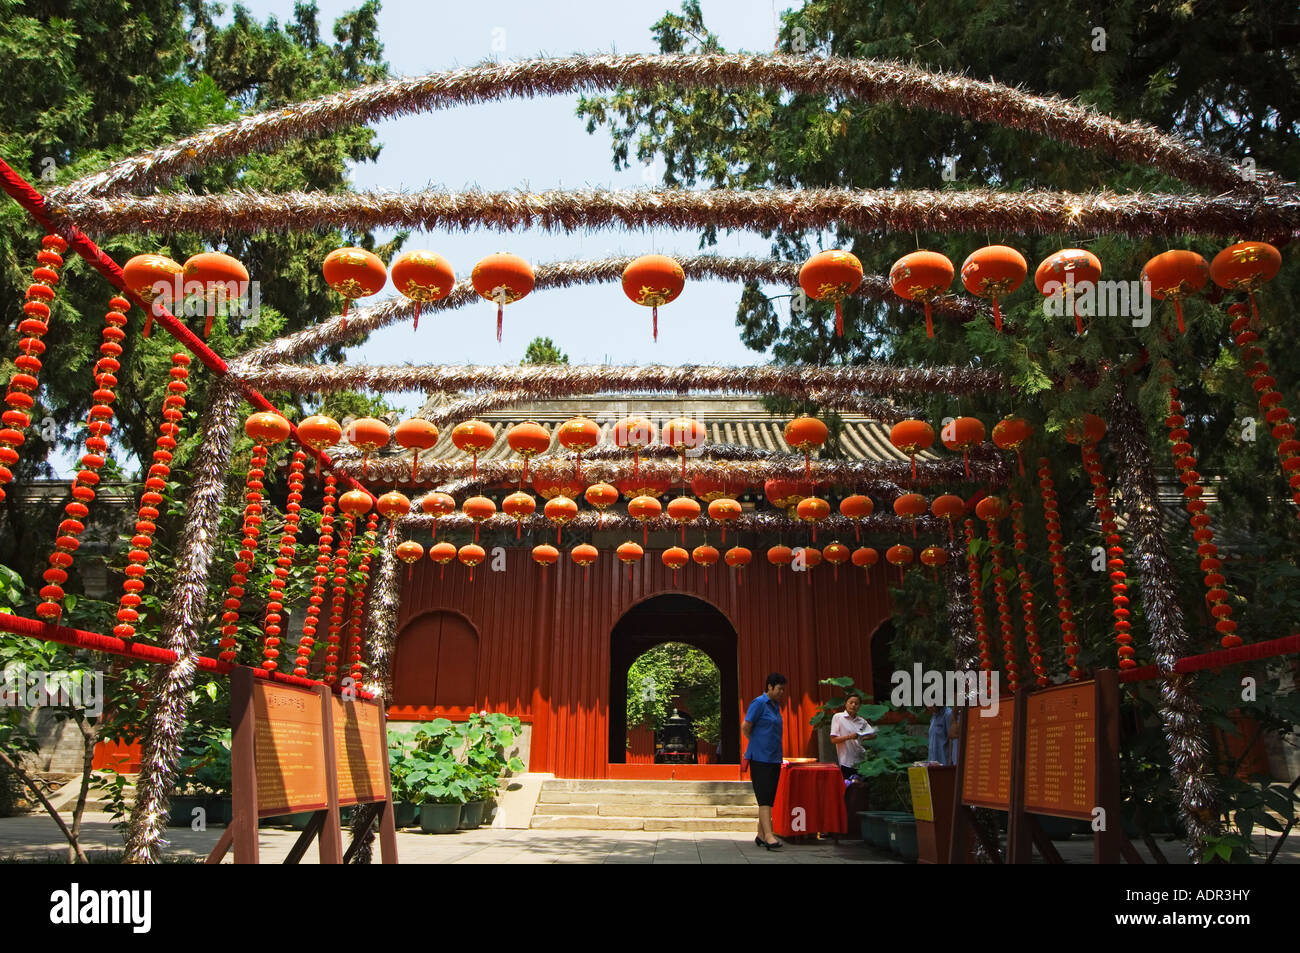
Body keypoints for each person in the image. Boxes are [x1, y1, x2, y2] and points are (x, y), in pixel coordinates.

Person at [742, 672, 787, 849]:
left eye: (783, 689)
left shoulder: (776, 706)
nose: (781, 692)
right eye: (779, 689)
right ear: (769, 686)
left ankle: (760, 834)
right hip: (760, 757)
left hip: (774, 757)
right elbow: (746, 726)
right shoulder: (759, 703)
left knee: (769, 796)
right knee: (764, 798)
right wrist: (756, 742)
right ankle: (769, 835)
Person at [829, 693, 875, 781]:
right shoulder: (838, 717)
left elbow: (873, 735)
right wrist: (849, 737)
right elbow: (833, 739)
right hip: (846, 761)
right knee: (848, 788)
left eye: (856, 703)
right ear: (846, 703)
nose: (853, 705)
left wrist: (862, 737)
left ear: (859, 706)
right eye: (851, 702)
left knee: (862, 788)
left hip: (861, 759)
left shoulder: (862, 721)